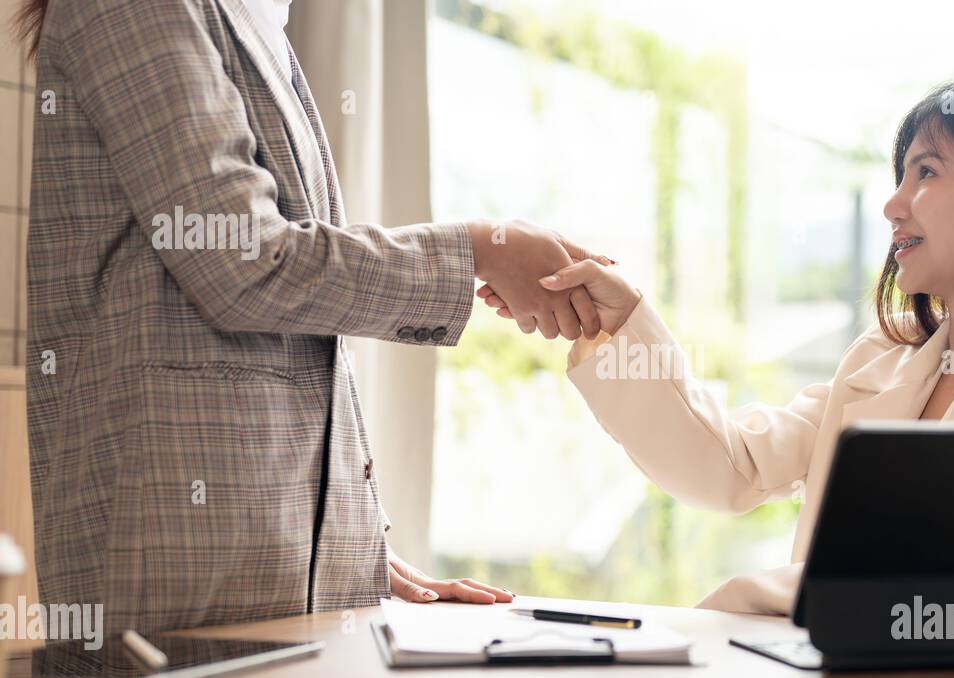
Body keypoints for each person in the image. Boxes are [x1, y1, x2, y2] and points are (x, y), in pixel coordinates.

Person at [480, 75, 954, 632]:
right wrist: (621, 323)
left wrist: (742, 599)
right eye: (900, 174)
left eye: (926, 171)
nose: (895, 203)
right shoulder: (882, 359)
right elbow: (730, 466)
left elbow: (947, 597)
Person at [15, 0, 608, 634]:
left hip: (256, 574)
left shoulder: (253, 20)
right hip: (178, 579)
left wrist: (340, 535)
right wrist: (479, 251)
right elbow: (244, 262)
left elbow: (280, 326)